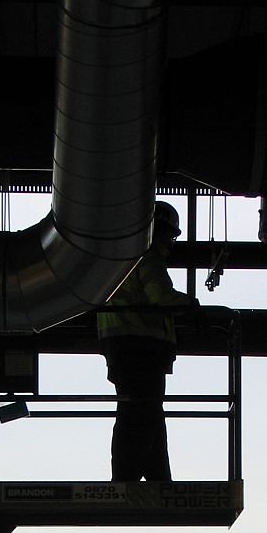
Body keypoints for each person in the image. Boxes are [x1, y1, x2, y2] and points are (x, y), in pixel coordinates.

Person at [97, 201, 197, 481]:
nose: (172, 243)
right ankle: (135, 478)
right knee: (143, 411)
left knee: (140, 409)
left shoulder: (119, 259)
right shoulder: (147, 257)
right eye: (170, 235)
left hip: (121, 345)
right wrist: (192, 305)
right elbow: (161, 298)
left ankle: (152, 475)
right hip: (141, 346)